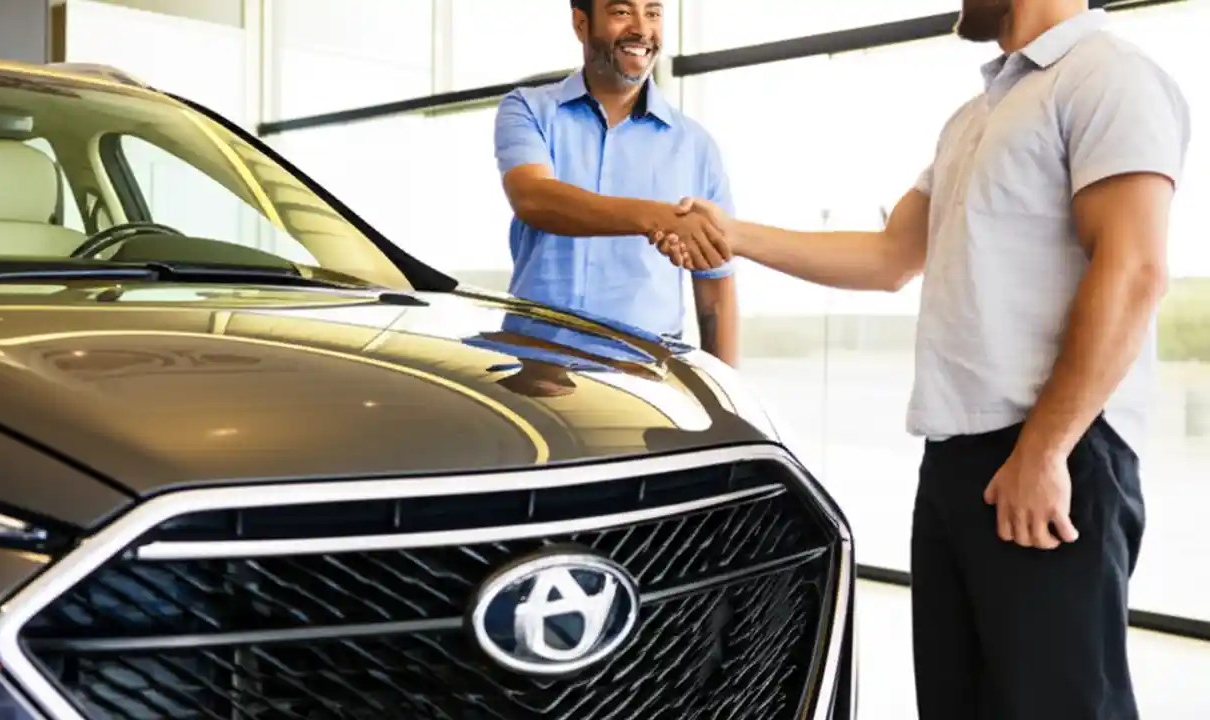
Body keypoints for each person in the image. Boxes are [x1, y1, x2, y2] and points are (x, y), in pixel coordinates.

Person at [655, 1, 1190, 718]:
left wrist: (1045, 449)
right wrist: (733, 234)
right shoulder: (976, 117)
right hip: (959, 460)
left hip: (1053, 456)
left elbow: (1132, 270)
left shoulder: (1106, 76)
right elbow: (887, 258)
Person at [492, 0, 739, 366]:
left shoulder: (696, 145)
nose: (642, 29)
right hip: (535, 367)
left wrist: (728, 409)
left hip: (647, 376)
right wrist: (658, 218)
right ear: (581, 23)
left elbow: (716, 294)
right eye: (622, 12)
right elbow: (534, 198)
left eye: (653, 13)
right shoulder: (527, 109)